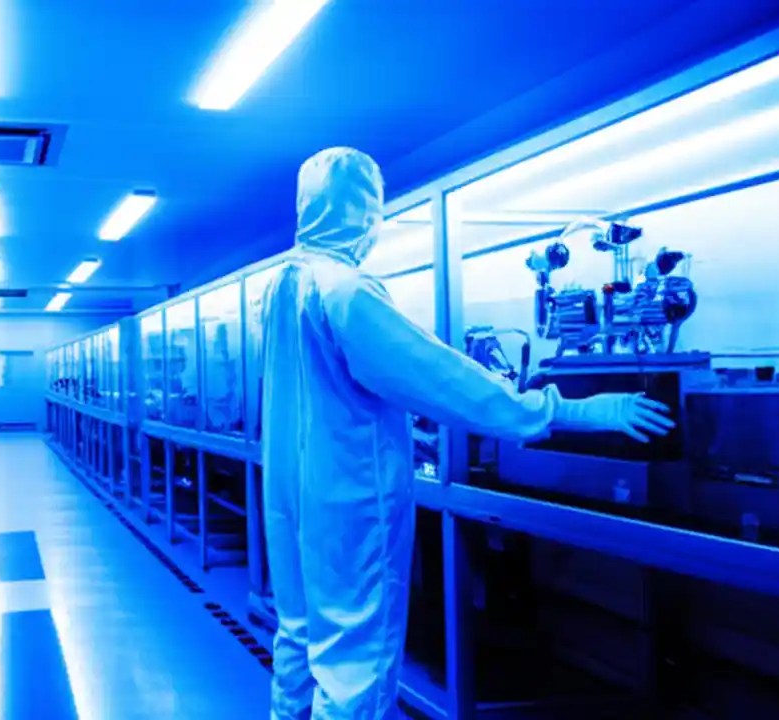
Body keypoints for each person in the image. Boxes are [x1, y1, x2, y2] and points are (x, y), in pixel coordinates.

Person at [260, 147, 673, 720]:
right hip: (350, 503)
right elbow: (445, 381)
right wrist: (568, 410)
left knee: (299, 639)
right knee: (355, 664)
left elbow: (342, 392)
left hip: (292, 494)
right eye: (375, 212)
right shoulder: (346, 291)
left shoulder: (281, 286)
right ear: (363, 212)